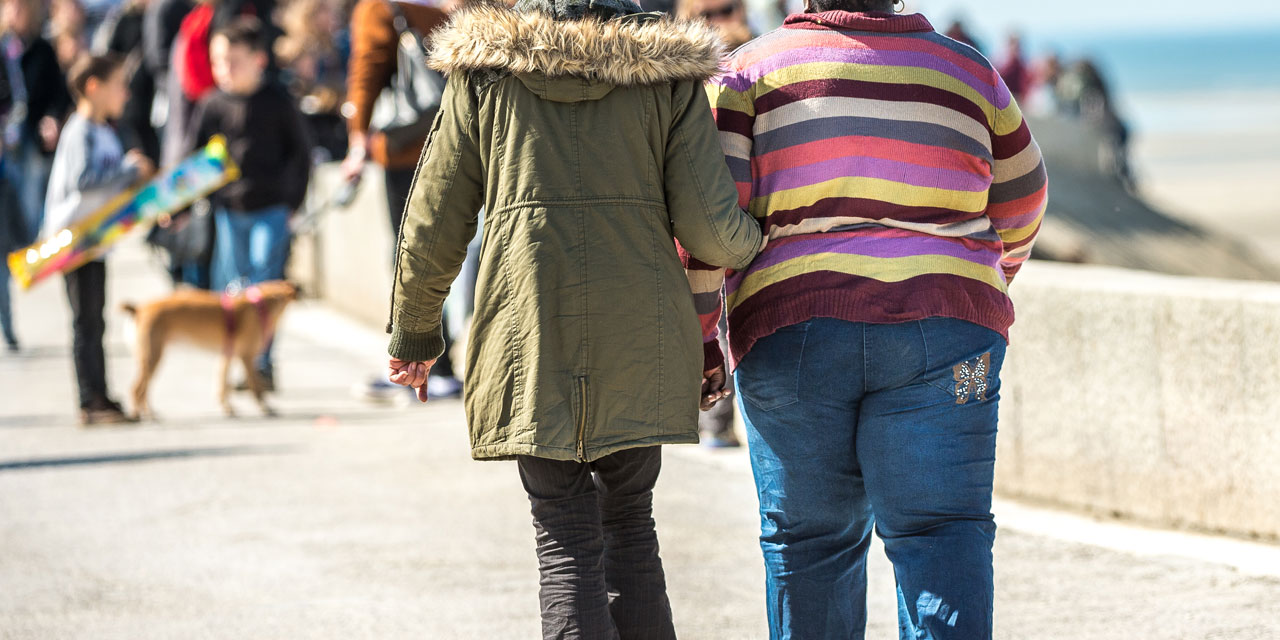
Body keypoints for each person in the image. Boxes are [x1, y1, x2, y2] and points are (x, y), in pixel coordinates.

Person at [385, 0, 762, 636]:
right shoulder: (666, 75)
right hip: (644, 336)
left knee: (562, 538)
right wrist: (762, 238)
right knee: (632, 527)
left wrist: (415, 333)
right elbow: (713, 231)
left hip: (528, 330)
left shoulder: (485, 71)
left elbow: (433, 220)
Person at [698, 0, 1047, 637]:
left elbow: (712, 223)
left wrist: (702, 336)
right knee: (948, 527)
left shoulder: (747, 74)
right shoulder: (970, 73)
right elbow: (1024, 198)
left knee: (808, 542)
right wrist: (986, 284)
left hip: (790, 339)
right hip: (959, 353)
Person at [184, 16, 311, 391]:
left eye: (233, 60)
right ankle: (240, 361)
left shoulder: (276, 101)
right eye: (218, 61)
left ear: (257, 59)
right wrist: (180, 206)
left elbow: (301, 154)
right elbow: (194, 161)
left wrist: (294, 202)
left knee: (265, 284)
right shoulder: (211, 104)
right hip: (229, 210)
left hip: (271, 208)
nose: (224, 69)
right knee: (234, 288)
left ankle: (263, 362)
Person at [341, 0, 458, 400]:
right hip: (467, 142)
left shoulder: (381, 7)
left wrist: (357, 138)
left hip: (409, 149)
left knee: (413, 255)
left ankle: (421, 362)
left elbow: (367, 71)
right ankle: (445, 363)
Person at [44, 53, 156, 425]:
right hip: (74, 241)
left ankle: (100, 395)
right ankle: (90, 400)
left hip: (95, 239)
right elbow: (83, 180)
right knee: (85, 322)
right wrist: (127, 170)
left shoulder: (103, 130)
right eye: (118, 85)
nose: (125, 94)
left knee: (96, 320)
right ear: (94, 87)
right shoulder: (80, 130)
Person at [1, 0, 72, 243]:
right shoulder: (3, 49)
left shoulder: (42, 48)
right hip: (5, 137)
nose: (15, 13)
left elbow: (59, 92)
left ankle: (26, 249)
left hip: (32, 134)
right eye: (10, 7)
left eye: (20, 7)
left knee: (31, 200)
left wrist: (52, 117)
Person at [275, 0, 349, 160]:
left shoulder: (338, 43)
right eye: (324, 12)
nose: (331, 17)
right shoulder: (295, 46)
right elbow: (297, 85)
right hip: (308, 121)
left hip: (337, 119)